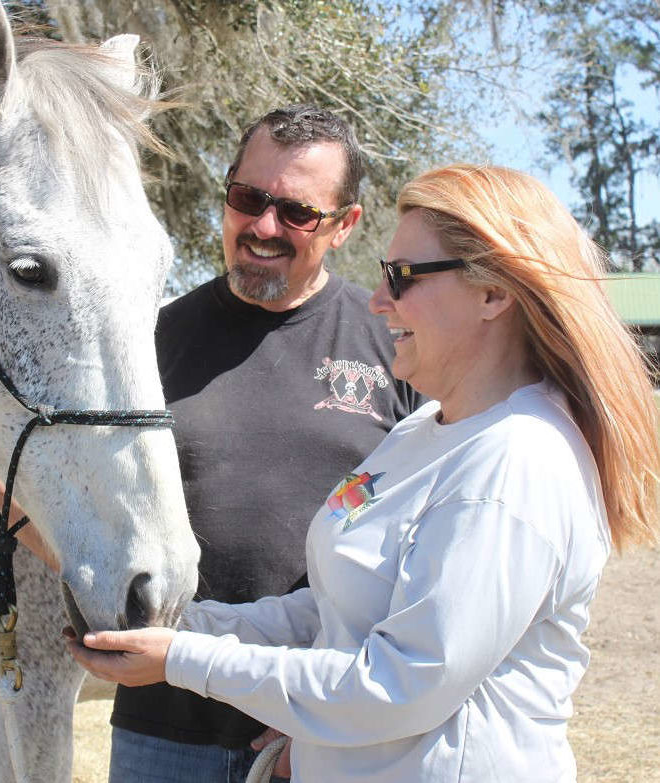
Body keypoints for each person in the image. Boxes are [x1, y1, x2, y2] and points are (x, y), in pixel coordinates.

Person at [0, 104, 424, 782]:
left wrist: (328, 716)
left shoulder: (395, 352)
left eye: (297, 212)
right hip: (165, 735)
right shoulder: (143, 346)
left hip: (322, 732)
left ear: (345, 225)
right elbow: (77, 533)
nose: (263, 227)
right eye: (247, 198)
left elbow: (418, 560)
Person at [66, 163, 660, 783]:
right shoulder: (422, 433)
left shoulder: (516, 461)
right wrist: (175, 624)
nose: (378, 302)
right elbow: (329, 609)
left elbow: (396, 685)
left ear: (493, 293)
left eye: (402, 278)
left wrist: (185, 659)